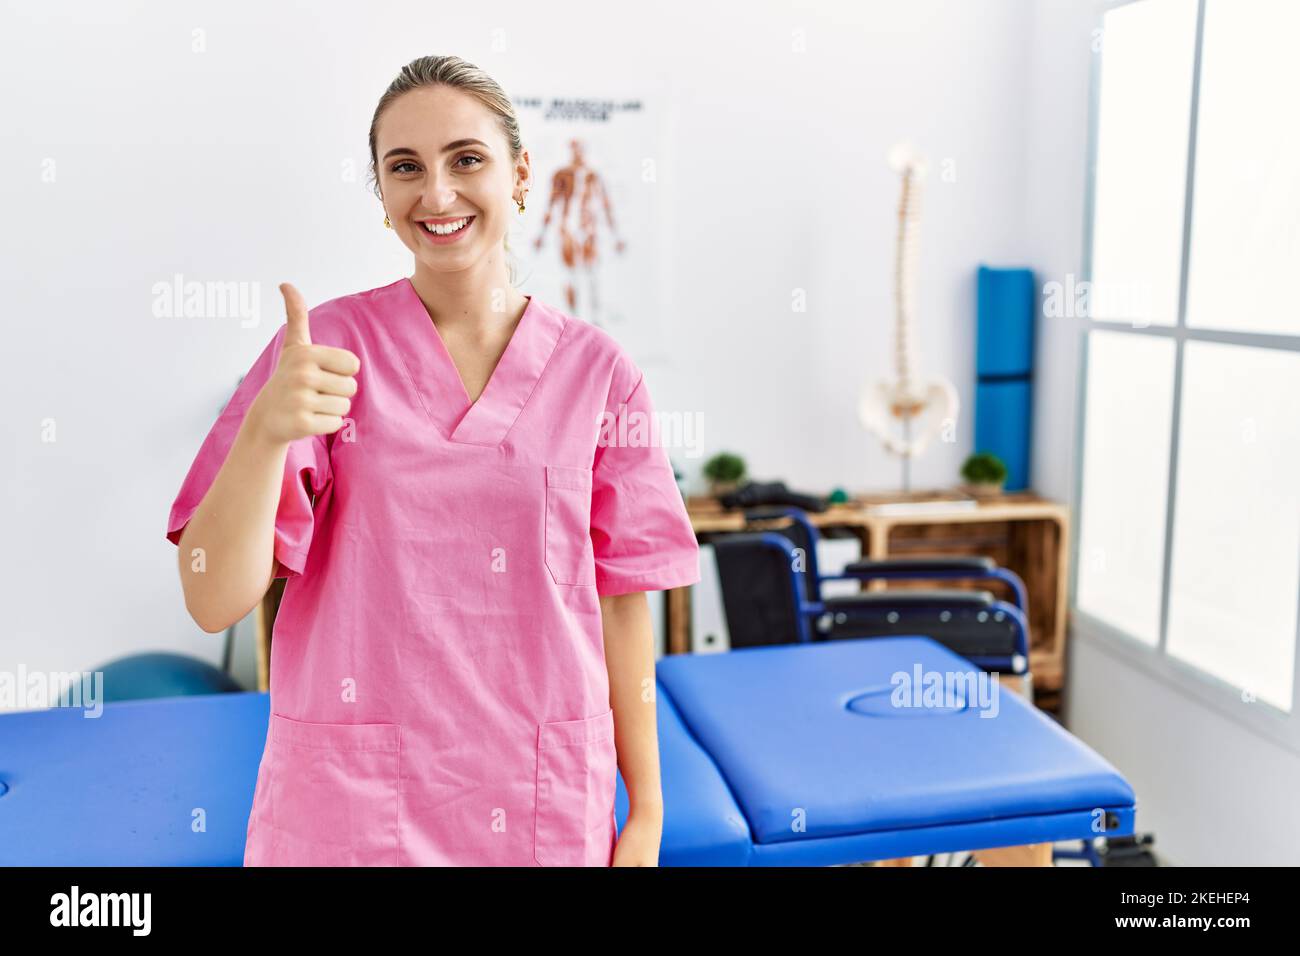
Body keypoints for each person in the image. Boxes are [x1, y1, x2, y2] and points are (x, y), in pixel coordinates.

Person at [166, 54, 700, 867]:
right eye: (405, 168)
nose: (438, 194)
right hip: (347, 812)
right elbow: (213, 599)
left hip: (540, 805)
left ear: (520, 175)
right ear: (381, 197)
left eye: (467, 160)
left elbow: (626, 604)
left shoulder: (599, 374)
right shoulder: (323, 356)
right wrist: (264, 433)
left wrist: (648, 814)